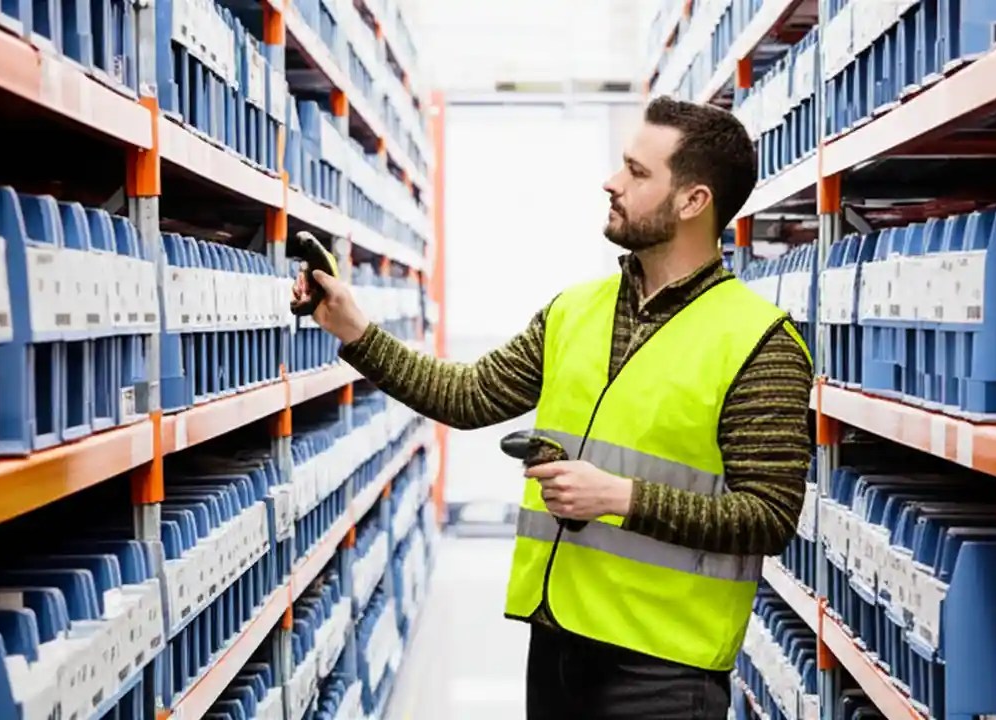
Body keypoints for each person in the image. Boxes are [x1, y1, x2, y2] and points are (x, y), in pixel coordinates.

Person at [293, 96, 814, 719]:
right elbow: (467, 395)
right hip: (560, 642)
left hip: (666, 670)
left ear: (693, 201)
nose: (611, 182)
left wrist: (618, 497)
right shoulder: (575, 310)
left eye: (637, 172)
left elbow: (768, 516)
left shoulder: (760, 342)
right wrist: (351, 327)